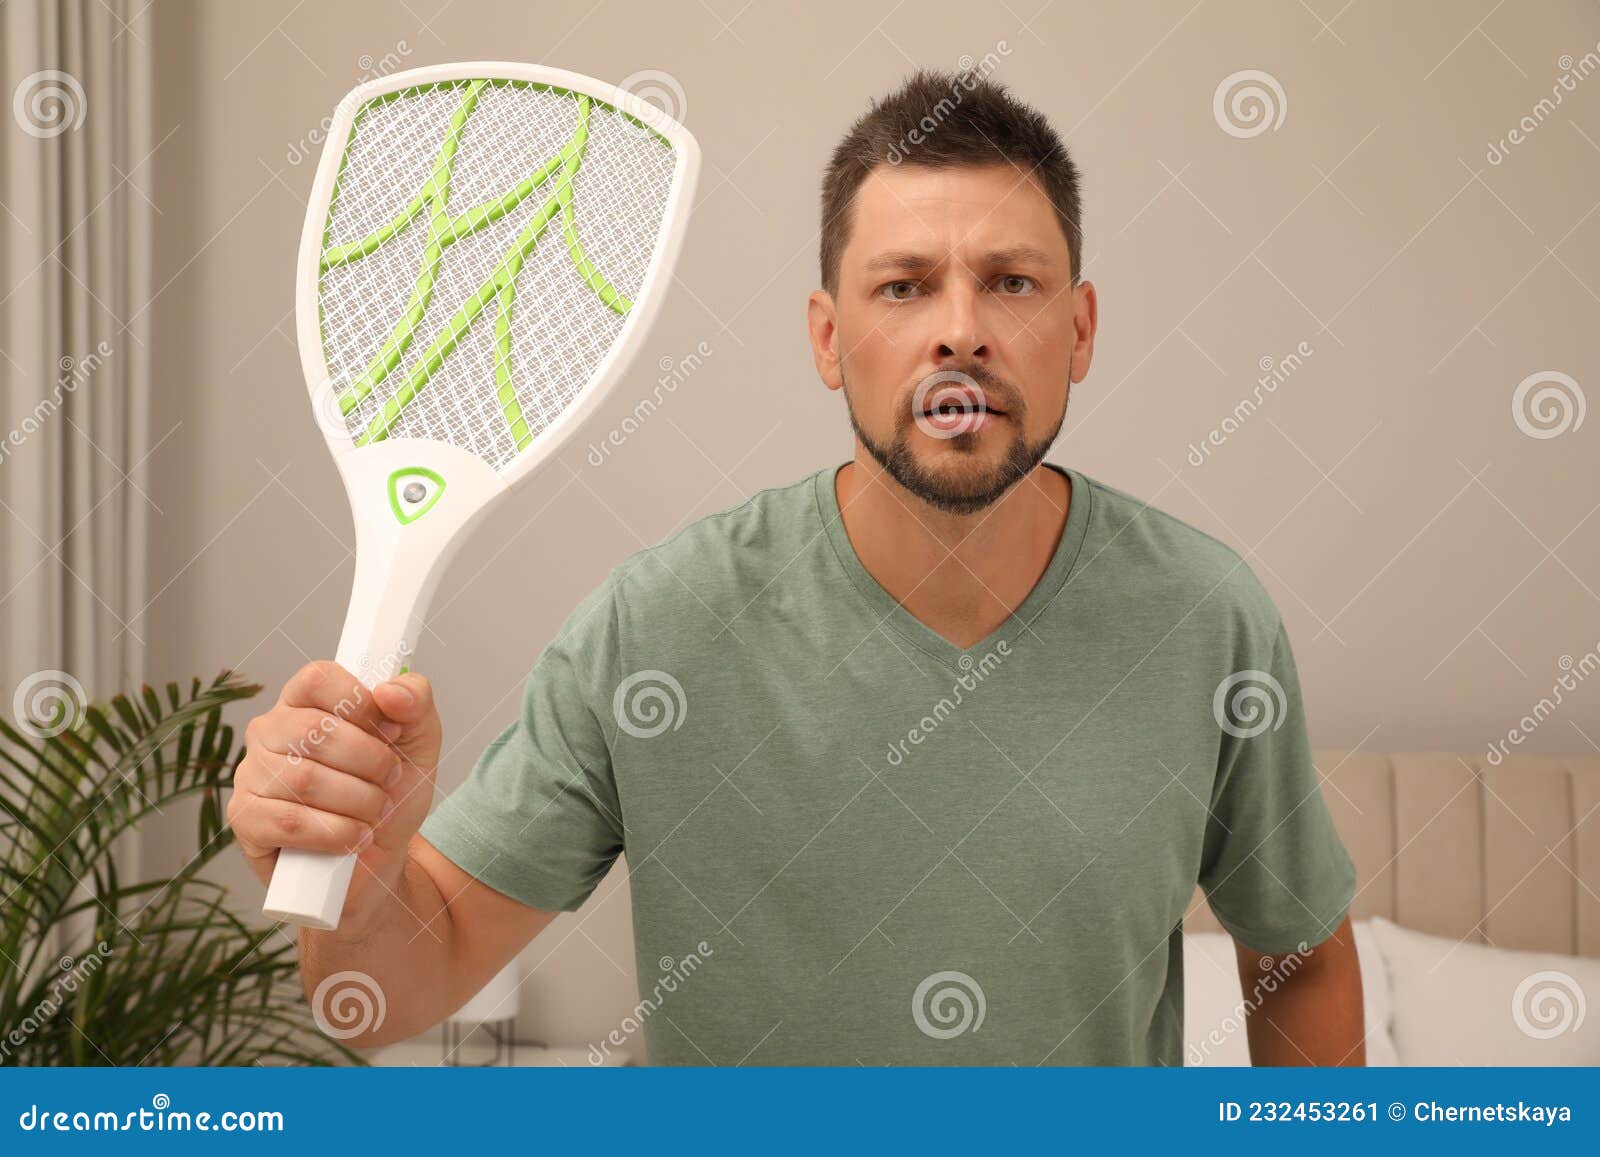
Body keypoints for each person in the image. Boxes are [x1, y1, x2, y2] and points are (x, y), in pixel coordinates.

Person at [229, 68, 1364, 1066]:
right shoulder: (654, 628)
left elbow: (1302, 959)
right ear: (828, 337)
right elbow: (379, 995)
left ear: (1080, 329)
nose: (960, 331)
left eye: (1012, 282)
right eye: (903, 285)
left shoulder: (1205, 618)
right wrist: (362, 874)